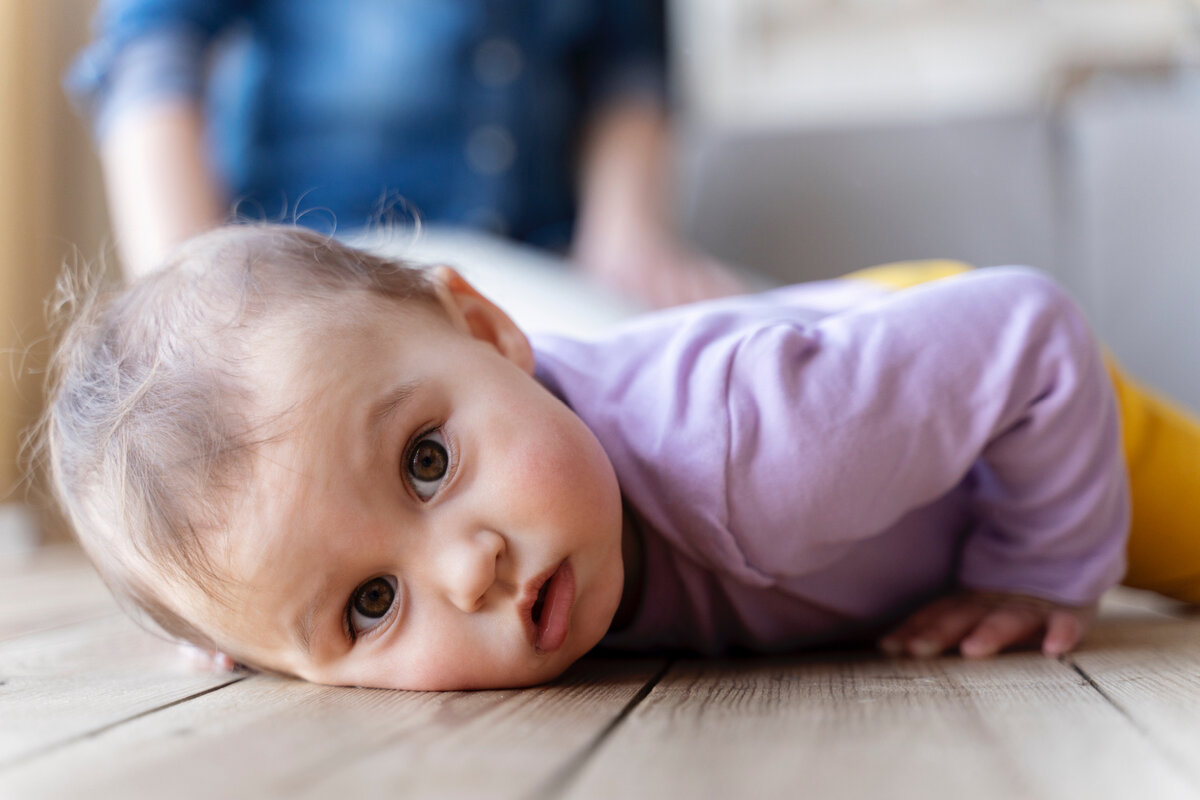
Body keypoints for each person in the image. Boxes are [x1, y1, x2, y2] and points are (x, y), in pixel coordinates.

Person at [40, 224, 1200, 690]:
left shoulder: (763, 448)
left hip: (983, 412)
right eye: (371, 601)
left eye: (430, 462)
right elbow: (276, 590)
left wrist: (1042, 564)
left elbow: (1029, 330)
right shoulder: (451, 545)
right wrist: (248, 626)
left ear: (491, 329)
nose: (470, 571)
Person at [67, 0, 741, 306]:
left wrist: (627, 240)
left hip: (543, 258)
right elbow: (151, 56)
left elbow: (627, 67)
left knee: (750, 341)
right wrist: (188, 296)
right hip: (331, 270)